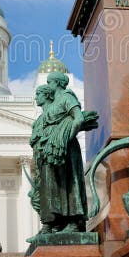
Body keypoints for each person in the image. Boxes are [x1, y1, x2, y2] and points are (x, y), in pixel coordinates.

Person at [30, 73, 93, 233]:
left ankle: (73, 221)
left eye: (49, 82)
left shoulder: (67, 98)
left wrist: (63, 139)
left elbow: (78, 119)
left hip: (65, 148)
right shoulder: (52, 105)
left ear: (57, 83)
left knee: (69, 184)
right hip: (52, 151)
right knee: (54, 187)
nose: (48, 85)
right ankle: (54, 222)